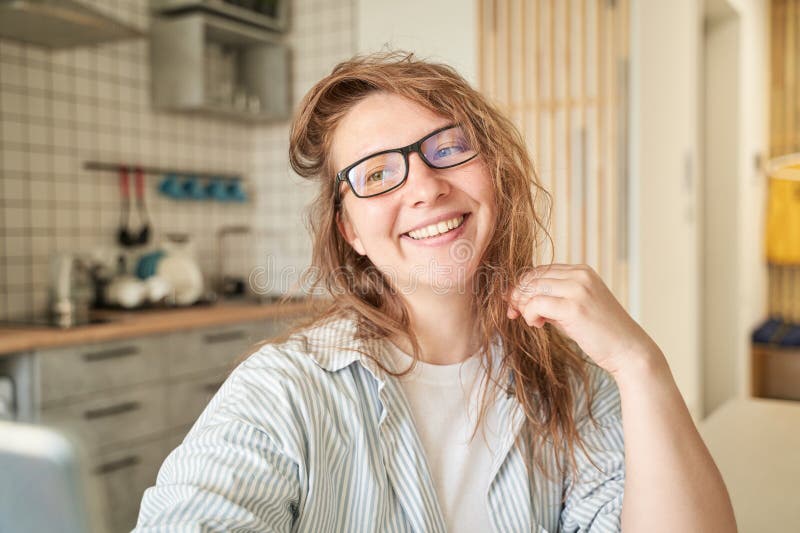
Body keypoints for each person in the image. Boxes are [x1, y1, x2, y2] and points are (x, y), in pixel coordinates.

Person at [134, 52, 736, 532]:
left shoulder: (573, 383)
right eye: (375, 174)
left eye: (447, 148)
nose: (423, 186)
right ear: (351, 232)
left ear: (493, 175)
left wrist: (640, 363)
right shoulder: (284, 391)